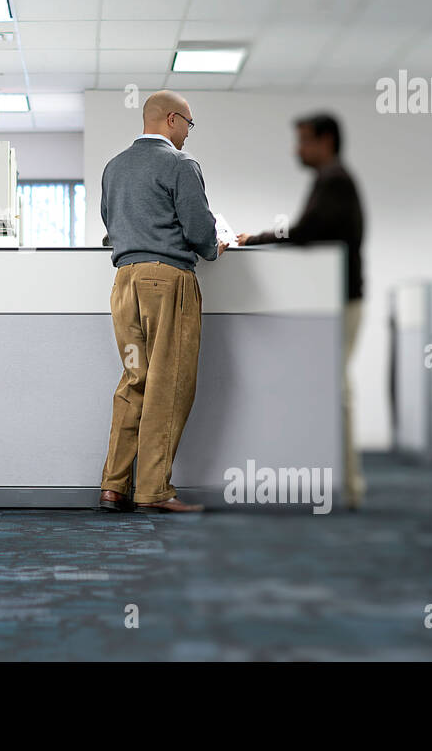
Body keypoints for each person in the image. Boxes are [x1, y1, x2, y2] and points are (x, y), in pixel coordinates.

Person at [99, 90, 226, 514]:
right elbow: (198, 230)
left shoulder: (114, 167)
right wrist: (215, 244)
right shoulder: (180, 164)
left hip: (124, 284)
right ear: (172, 120)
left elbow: (112, 226)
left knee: (135, 381)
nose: (189, 133)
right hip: (166, 281)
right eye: (189, 124)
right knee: (169, 384)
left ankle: (113, 486)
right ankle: (154, 490)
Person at [237, 111, 367, 510]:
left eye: (305, 140)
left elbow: (305, 230)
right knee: (333, 387)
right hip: (338, 298)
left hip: (343, 300)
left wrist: (255, 238)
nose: (299, 149)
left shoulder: (335, 181)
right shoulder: (328, 181)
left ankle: (349, 486)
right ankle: (342, 482)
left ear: (326, 140)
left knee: (337, 389)